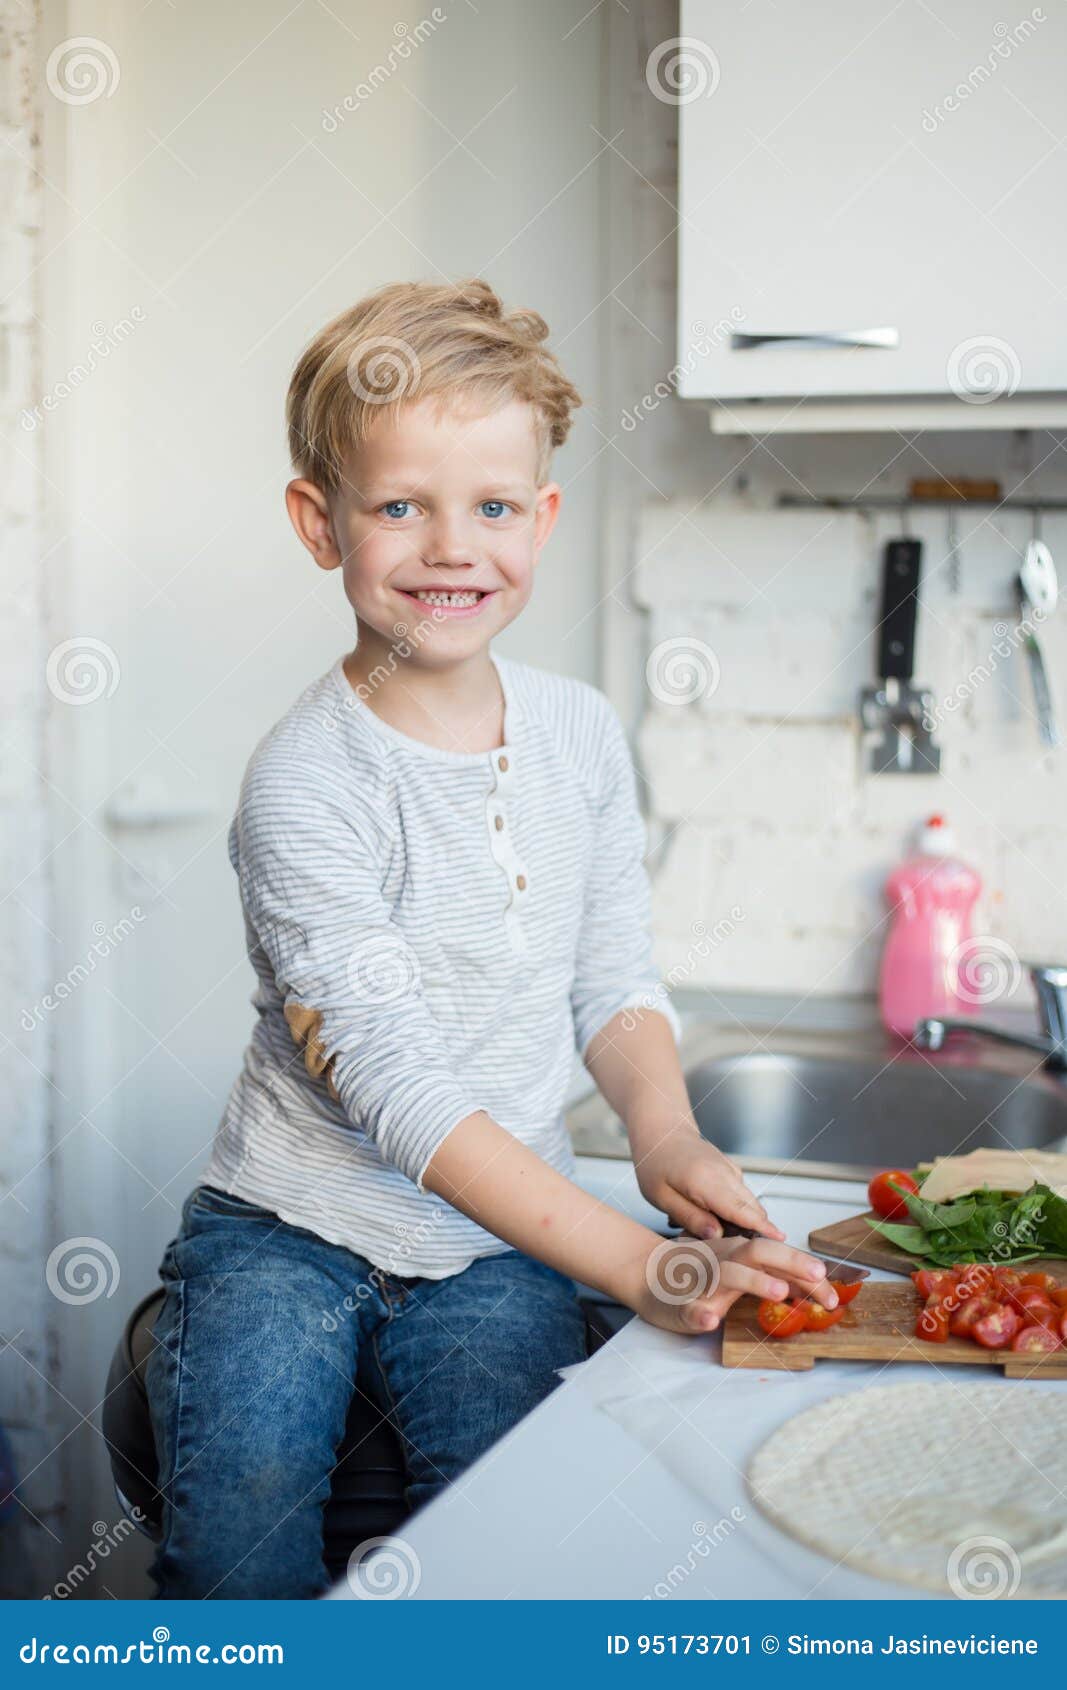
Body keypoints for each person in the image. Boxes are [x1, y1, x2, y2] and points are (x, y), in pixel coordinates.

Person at [144, 277, 835, 1598]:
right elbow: (391, 1081)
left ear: (543, 519)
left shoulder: (580, 732)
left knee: (516, 1545)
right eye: (401, 506)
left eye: (494, 508)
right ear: (319, 521)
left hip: (500, 1249)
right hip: (288, 1225)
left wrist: (665, 1138)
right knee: (236, 1547)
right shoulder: (305, 781)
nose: (452, 548)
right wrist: (637, 1262)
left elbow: (612, 974)